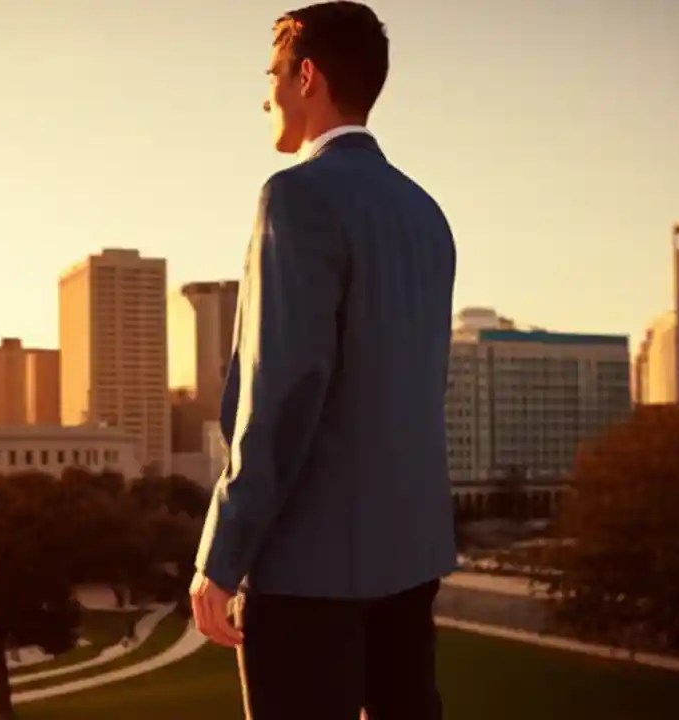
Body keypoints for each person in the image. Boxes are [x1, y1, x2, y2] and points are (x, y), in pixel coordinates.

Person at [189, 3, 456, 718]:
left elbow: (281, 393)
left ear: (307, 77)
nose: (265, 93)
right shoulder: (426, 215)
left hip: (309, 572)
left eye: (272, 73)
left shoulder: (295, 196)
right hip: (411, 557)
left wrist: (222, 553)